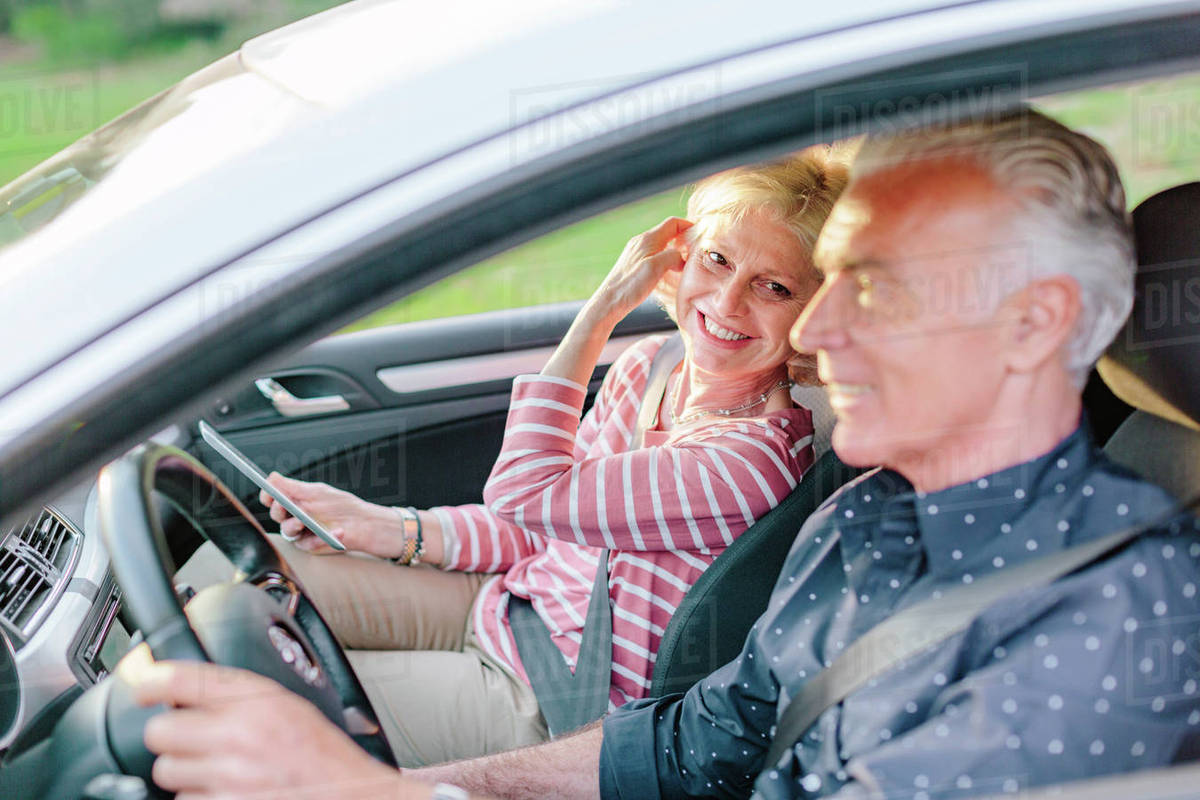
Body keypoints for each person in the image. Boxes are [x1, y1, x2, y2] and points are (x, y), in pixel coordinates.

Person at [135, 108, 1200, 800]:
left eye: (875, 288)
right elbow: (697, 741)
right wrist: (388, 789)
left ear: (1032, 324)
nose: (818, 333)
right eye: (829, 283)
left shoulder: (1125, 616)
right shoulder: (863, 516)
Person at [176, 147, 849, 767]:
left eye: (774, 287)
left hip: (554, 702)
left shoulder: (744, 464)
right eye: (717, 259)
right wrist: (392, 529)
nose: (727, 301)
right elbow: (541, 528)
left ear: (814, 315)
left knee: (248, 686)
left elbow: (527, 491)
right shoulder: (652, 365)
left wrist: (603, 309)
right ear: (681, 255)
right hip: (510, 604)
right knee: (223, 576)